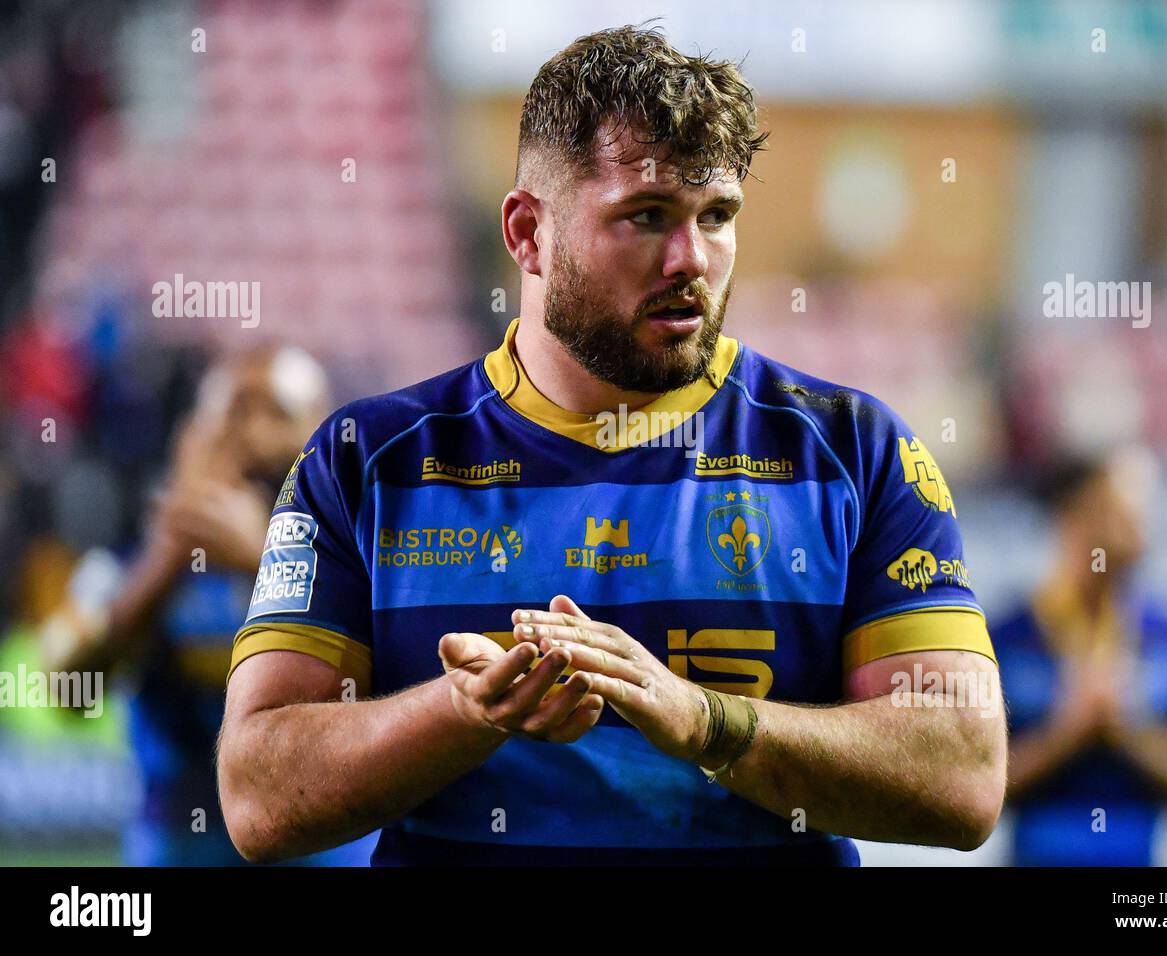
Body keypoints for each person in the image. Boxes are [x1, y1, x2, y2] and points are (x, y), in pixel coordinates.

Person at [217, 24, 1006, 866]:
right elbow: (258, 799)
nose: (690, 258)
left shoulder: (853, 451)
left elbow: (964, 778)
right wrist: (464, 713)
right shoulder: (365, 461)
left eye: (717, 216)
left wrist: (706, 722)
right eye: (646, 217)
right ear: (527, 234)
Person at [42, 346, 375, 865]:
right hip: (179, 838)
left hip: (321, 834)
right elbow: (65, 691)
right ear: (191, 438)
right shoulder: (129, 554)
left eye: (277, 414)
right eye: (235, 412)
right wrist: (164, 563)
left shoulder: (362, 550)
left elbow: (394, 677)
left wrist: (265, 563)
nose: (252, 436)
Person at [993, 446, 1167, 865]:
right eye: (1124, 509)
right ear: (1072, 517)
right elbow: (965, 788)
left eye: (1147, 508)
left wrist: (1128, 730)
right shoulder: (998, 641)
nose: (1142, 525)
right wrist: (1066, 734)